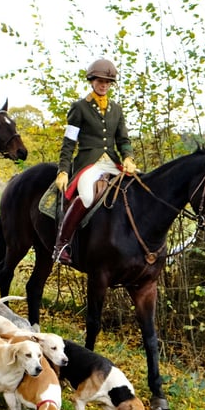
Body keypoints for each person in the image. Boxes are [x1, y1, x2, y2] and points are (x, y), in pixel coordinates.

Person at [52, 58, 137, 265]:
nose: (104, 85)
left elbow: (123, 140)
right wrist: (63, 170)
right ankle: (62, 244)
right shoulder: (79, 108)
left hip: (112, 162)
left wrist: (128, 157)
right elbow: (69, 143)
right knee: (88, 197)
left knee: (138, 190)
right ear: (92, 80)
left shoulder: (116, 109)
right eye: (100, 80)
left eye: (107, 82)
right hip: (89, 164)